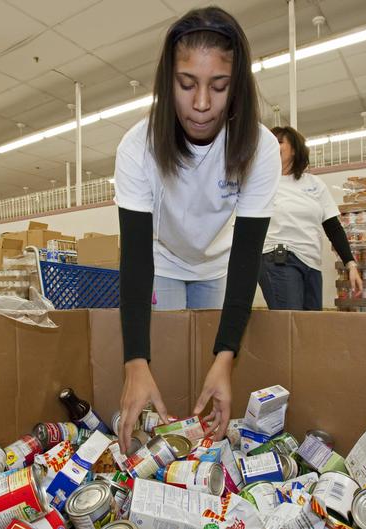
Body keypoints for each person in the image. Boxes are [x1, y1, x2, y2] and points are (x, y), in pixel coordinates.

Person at [114, 7, 280, 453]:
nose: (202, 103)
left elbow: (247, 253)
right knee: (162, 370)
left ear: (236, 85)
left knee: (211, 372)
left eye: (219, 86)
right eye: (187, 84)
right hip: (162, 261)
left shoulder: (260, 147)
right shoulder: (137, 147)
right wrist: (134, 361)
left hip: (218, 264)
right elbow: (135, 257)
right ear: (167, 82)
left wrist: (226, 356)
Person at [259, 127, 363, 309]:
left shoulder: (314, 183)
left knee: (310, 323)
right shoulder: (262, 184)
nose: (273, 147)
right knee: (291, 321)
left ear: (294, 148)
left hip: (311, 263)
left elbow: (333, 227)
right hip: (278, 259)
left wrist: (351, 265)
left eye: (279, 142)